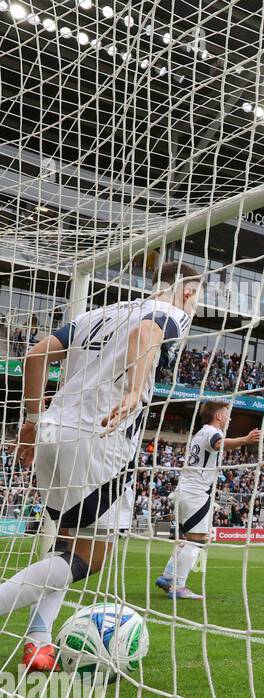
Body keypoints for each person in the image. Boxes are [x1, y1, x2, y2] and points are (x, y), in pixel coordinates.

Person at [1, 262, 201, 671]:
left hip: (54, 435)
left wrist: (32, 422)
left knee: (67, 543)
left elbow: (37, 355)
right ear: (187, 292)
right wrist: (132, 390)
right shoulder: (171, 314)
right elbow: (146, 334)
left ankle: (38, 641)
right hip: (100, 442)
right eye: (199, 296)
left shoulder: (98, 313)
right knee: (89, 560)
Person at [156, 400, 261, 599]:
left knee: (186, 539)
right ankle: (178, 586)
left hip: (184, 490)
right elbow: (219, 444)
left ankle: (168, 576)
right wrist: (245, 440)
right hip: (196, 493)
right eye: (227, 414)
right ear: (219, 416)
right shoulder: (213, 432)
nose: (229, 418)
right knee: (198, 540)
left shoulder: (200, 432)